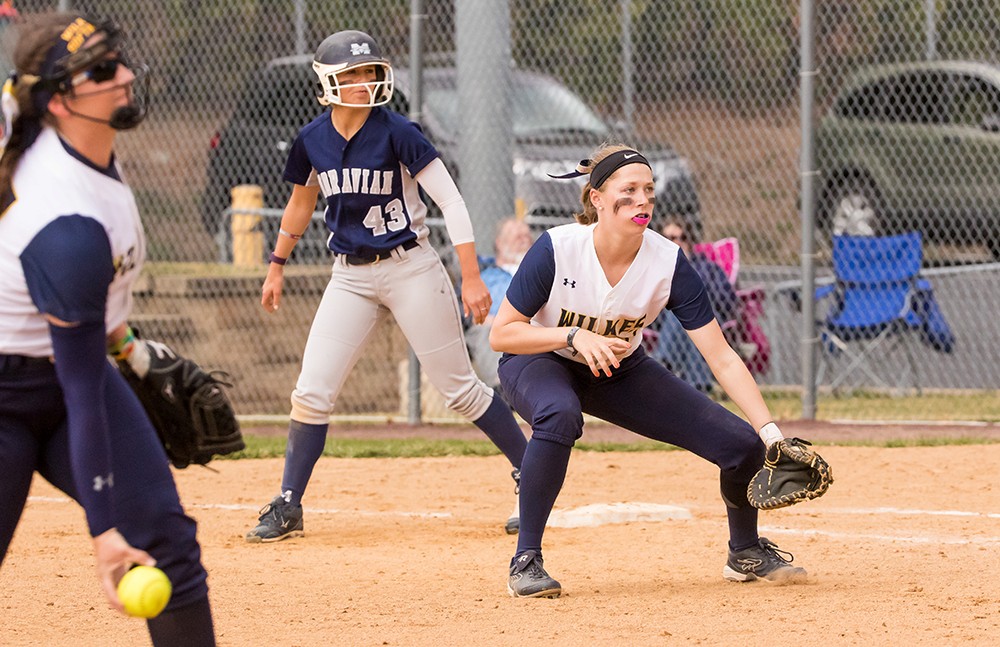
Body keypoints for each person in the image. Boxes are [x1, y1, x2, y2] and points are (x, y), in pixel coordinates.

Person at [490, 143, 809, 598]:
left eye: (649, 191)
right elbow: (502, 335)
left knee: (741, 444)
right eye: (629, 190)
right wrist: (572, 336)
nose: (643, 201)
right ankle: (526, 559)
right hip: (539, 360)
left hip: (618, 370)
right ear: (596, 198)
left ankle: (745, 551)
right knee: (559, 413)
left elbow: (720, 355)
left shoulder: (668, 262)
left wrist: (771, 431)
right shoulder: (558, 248)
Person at [245, 30, 527, 542]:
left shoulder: (399, 131)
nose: (362, 82)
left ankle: (533, 472)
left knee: (459, 390)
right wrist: (276, 262)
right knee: (311, 392)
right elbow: (301, 203)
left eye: (369, 72)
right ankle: (288, 502)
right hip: (349, 275)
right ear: (328, 81)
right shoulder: (312, 138)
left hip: (410, 267)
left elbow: (452, 202)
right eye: (350, 75)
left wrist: (469, 276)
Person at [0, 13, 216, 644]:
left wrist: (131, 349)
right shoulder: (66, 225)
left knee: (168, 546)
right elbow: (80, 388)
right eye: (101, 71)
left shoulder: (80, 151)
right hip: (17, 391)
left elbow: (91, 345)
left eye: (117, 59)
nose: (123, 75)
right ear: (62, 101)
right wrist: (104, 534)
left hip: (71, 372)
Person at [649, 217, 739, 393]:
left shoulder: (707, 267)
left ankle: (664, 361)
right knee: (680, 313)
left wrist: (693, 277)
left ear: (688, 240)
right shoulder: (655, 267)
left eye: (680, 237)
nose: (675, 242)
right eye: (669, 239)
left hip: (708, 315)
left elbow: (727, 300)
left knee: (688, 311)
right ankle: (699, 385)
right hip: (665, 319)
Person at [465, 217, 535, 390]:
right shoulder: (485, 277)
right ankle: (502, 387)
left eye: (526, 236)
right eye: (516, 236)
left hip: (534, 326)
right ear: (500, 243)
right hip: (496, 326)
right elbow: (474, 315)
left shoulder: (539, 272)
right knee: (484, 330)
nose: (523, 239)